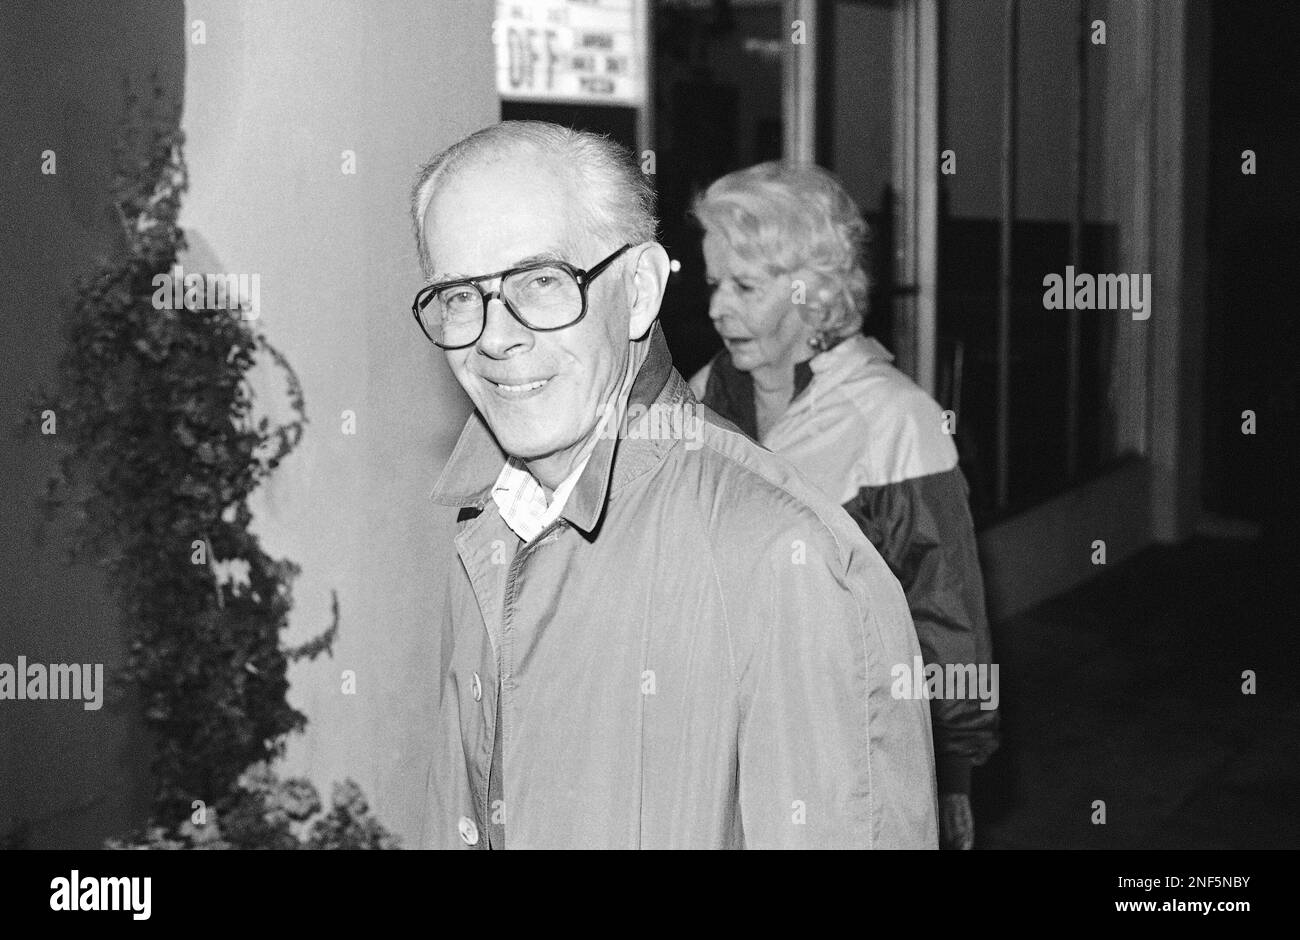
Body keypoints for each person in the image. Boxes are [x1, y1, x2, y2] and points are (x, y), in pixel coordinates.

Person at [410, 121, 937, 849]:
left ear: (638, 291)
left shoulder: (792, 559)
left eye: (541, 281)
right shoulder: (491, 519)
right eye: (460, 294)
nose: (496, 337)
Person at [690, 161, 1000, 850]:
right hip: (715, 745)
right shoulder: (705, 393)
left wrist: (954, 772)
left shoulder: (897, 422)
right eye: (714, 283)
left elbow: (947, 613)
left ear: (812, 293)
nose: (716, 307)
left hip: (841, 750)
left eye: (743, 286)